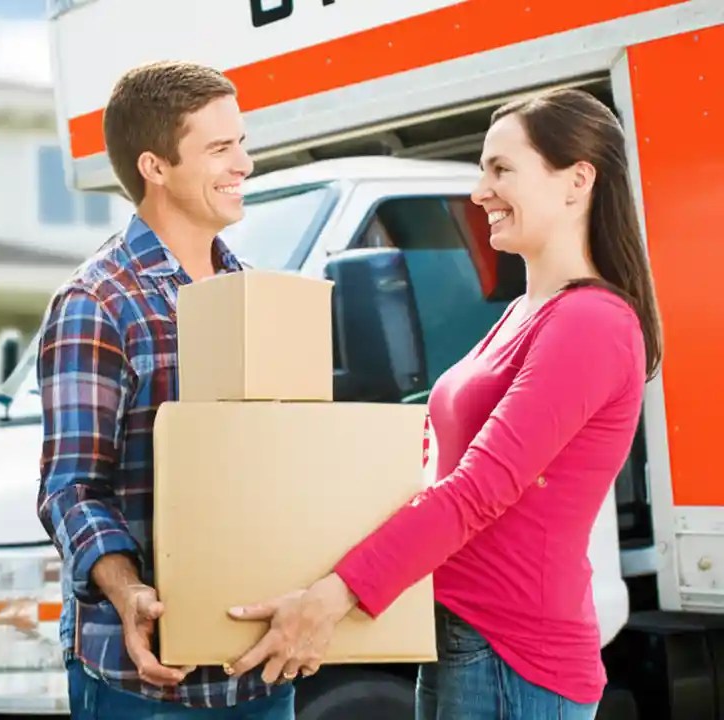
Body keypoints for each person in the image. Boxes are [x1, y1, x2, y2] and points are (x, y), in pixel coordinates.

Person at [224, 86, 663, 720]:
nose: (479, 192)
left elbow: (480, 487)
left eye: (501, 170)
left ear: (576, 182)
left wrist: (330, 597)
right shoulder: (523, 314)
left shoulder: (591, 323)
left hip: (514, 659)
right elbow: (433, 461)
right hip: (460, 639)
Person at [35, 60, 294, 718]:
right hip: (146, 684)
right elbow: (71, 490)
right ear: (155, 167)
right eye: (220, 149)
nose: (245, 164)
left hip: (259, 674)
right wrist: (129, 594)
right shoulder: (97, 302)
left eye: (241, 142)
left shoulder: (258, 295)